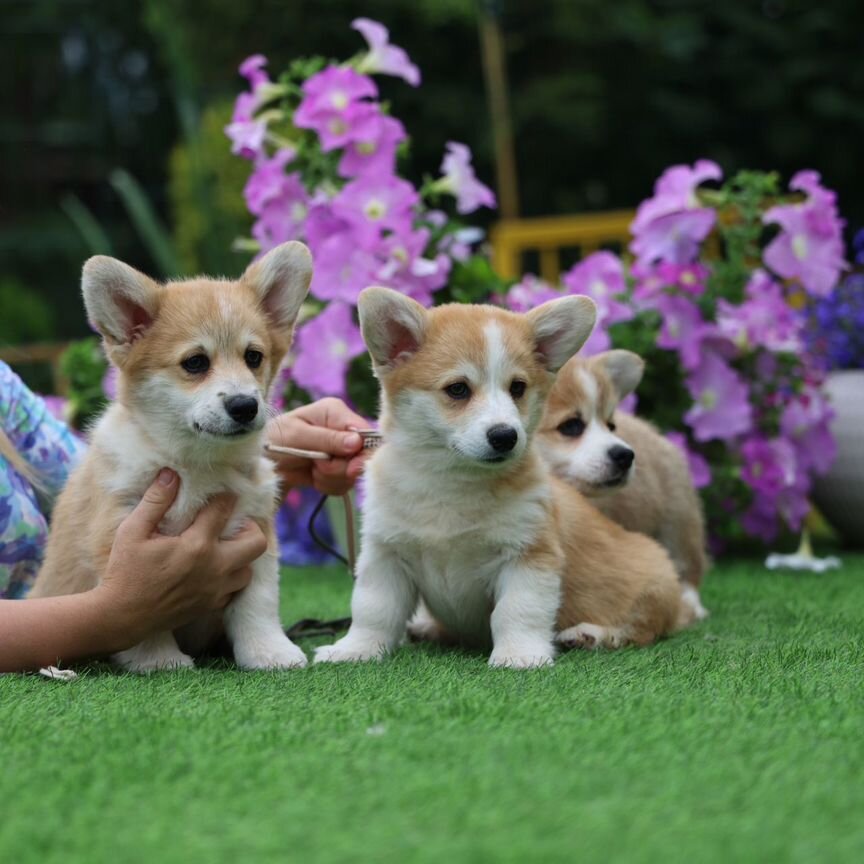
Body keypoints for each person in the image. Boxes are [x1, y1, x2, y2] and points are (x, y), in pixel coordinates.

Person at [0, 360, 367, 672]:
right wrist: (116, 616)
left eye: (253, 356)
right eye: (195, 362)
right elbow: (99, 517)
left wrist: (252, 447)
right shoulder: (117, 466)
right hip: (63, 653)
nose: (239, 383)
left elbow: (69, 469)